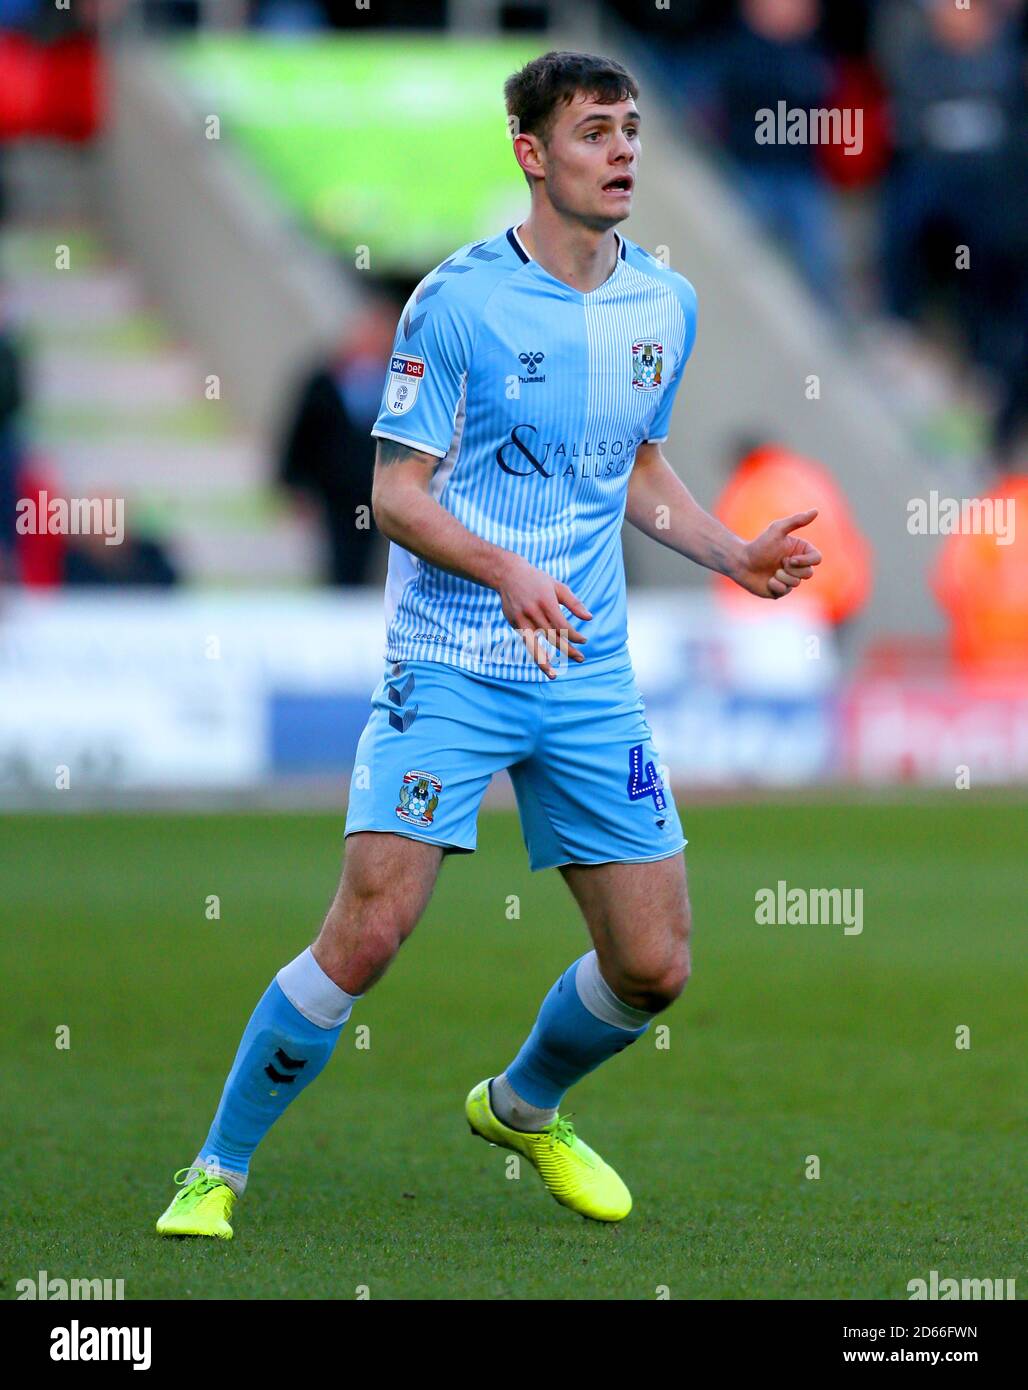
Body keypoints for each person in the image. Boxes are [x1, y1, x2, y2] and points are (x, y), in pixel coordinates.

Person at [156, 50, 821, 1240]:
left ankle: (523, 1103)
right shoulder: (453, 303)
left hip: (584, 669)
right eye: (592, 132)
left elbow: (638, 466)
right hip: (453, 659)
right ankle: (217, 1167)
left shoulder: (664, 302)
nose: (621, 151)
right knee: (367, 930)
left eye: (629, 129)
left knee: (656, 966)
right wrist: (509, 569)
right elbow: (397, 496)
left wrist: (727, 553)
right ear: (530, 152)